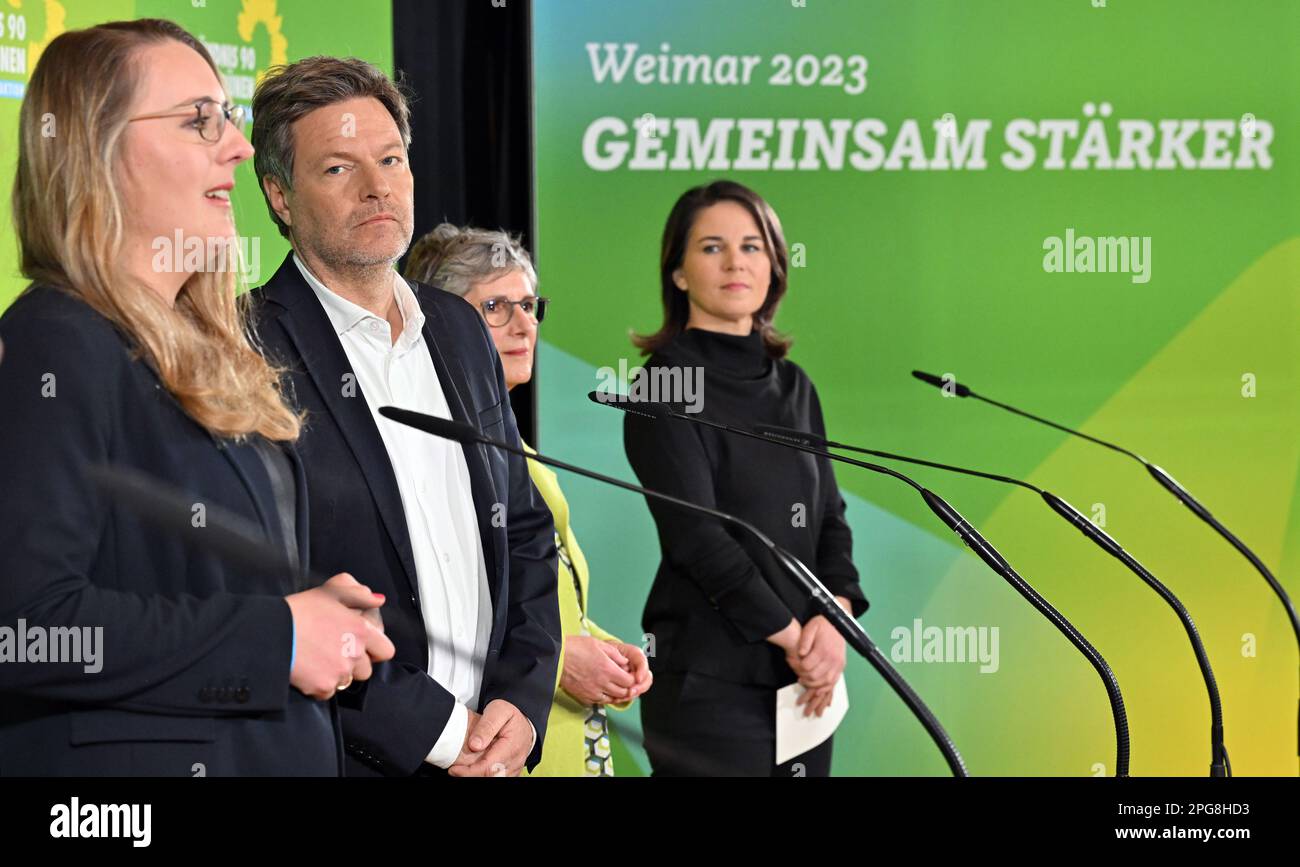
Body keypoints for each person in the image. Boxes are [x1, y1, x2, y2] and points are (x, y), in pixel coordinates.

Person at [0, 19, 394, 776]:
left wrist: (306, 602)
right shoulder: (56, 342)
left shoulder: (206, 350)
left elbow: (169, 581)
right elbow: (25, 622)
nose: (239, 148)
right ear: (99, 147)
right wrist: (276, 634)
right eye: (198, 120)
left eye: (230, 118)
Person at [244, 58, 561, 777]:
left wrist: (522, 699)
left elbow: (526, 527)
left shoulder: (458, 329)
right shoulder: (243, 348)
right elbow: (266, 587)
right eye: (336, 168)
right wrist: (448, 734)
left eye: (390, 159)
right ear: (280, 196)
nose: (376, 186)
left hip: (500, 750)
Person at [622, 180, 868, 777]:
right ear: (678, 273)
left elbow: (830, 517)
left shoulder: (794, 385)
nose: (735, 261)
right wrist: (795, 639)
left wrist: (836, 623)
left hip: (805, 685)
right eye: (711, 247)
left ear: (775, 266)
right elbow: (699, 540)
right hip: (713, 686)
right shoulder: (663, 385)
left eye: (753, 246)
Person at [406, 224, 653, 776]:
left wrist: (602, 648)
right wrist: (563, 660)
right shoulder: (436, 449)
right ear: (441, 321)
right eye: (495, 306)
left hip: (570, 732)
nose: (524, 326)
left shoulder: (516, 446)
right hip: (509, 737)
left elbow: (556, 593)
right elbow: (446, 615)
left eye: (528, 305)